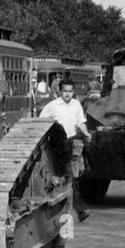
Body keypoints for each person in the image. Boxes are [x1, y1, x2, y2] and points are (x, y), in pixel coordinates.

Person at [39, 80, 93, 222]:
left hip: (71, 142)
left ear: (73, 92)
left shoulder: (76, 105)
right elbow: (40, 121)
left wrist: (86, 133)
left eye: (70, 91)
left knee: (71, 176)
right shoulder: (53, 106)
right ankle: (78, 210)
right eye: (65, 91)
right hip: (56, 144)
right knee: (69, 176)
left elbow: (80, 122)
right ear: (60, 91)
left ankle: (69, 210)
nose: (67, 94)